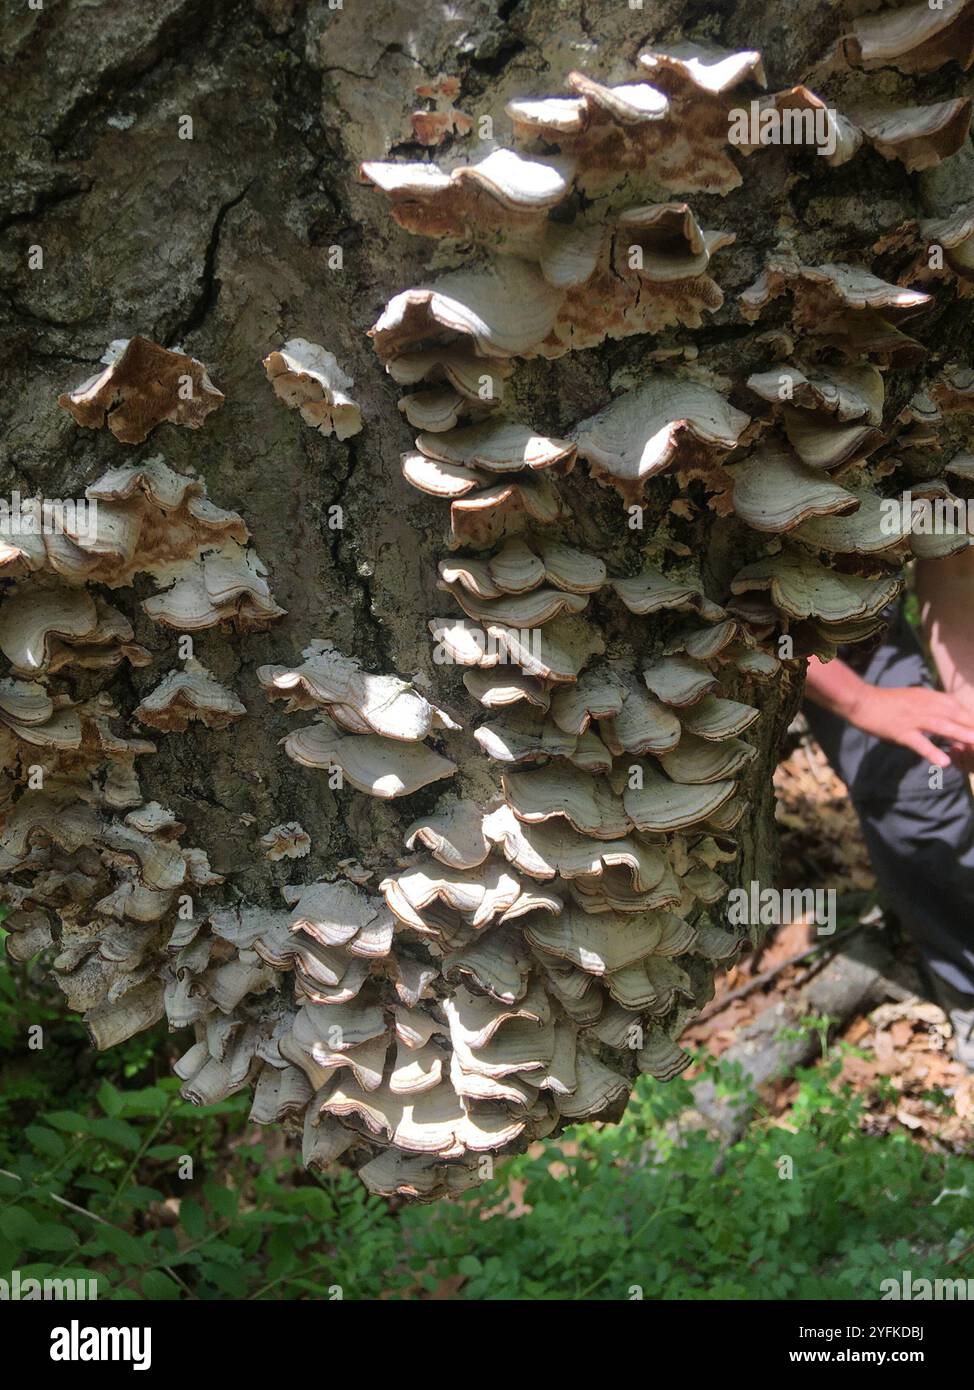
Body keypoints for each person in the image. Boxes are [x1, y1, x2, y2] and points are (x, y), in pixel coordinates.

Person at [802, 548, 974, 1067]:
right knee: (913, 801)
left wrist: (965, 709)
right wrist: (861, 703)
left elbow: (953, 570)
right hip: (699, 654)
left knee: (927, 787)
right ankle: (968, 990)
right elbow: (732, 617)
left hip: (861, 618)